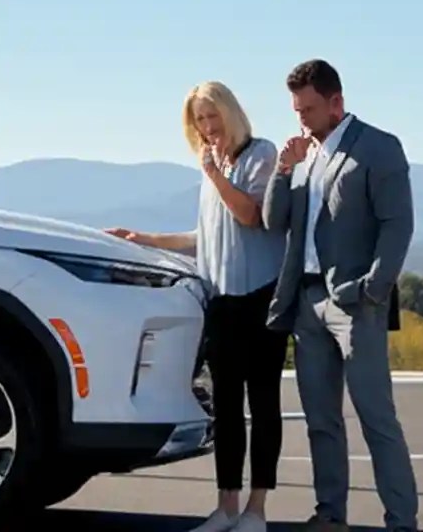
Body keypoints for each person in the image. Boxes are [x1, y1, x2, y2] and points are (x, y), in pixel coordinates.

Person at [106, 80, 288, 532]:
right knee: (225, 408)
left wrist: (215, 176)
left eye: (212, 116)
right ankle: (226, 507)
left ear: (230, 113)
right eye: (199, 120)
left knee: (262, 403)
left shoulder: (259, 155)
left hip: (262, 298)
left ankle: (256, 510)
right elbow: (205, 237)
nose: (207, 128)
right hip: (221, 302)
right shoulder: (211, 168)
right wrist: (145, 240)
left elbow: (251, 215)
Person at [261, 59, 419, 532]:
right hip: (307, 302)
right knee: (320, 421)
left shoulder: (378, 147)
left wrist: (374, 289)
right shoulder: (304, 155)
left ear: (336, 102)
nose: (302, 118)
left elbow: (398, 224)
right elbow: (274, 220)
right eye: (296, 110)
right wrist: (282, 169)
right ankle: (330, 514)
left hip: (356, 304)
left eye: (308, 108)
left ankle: (401, 521)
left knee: (376, 418)